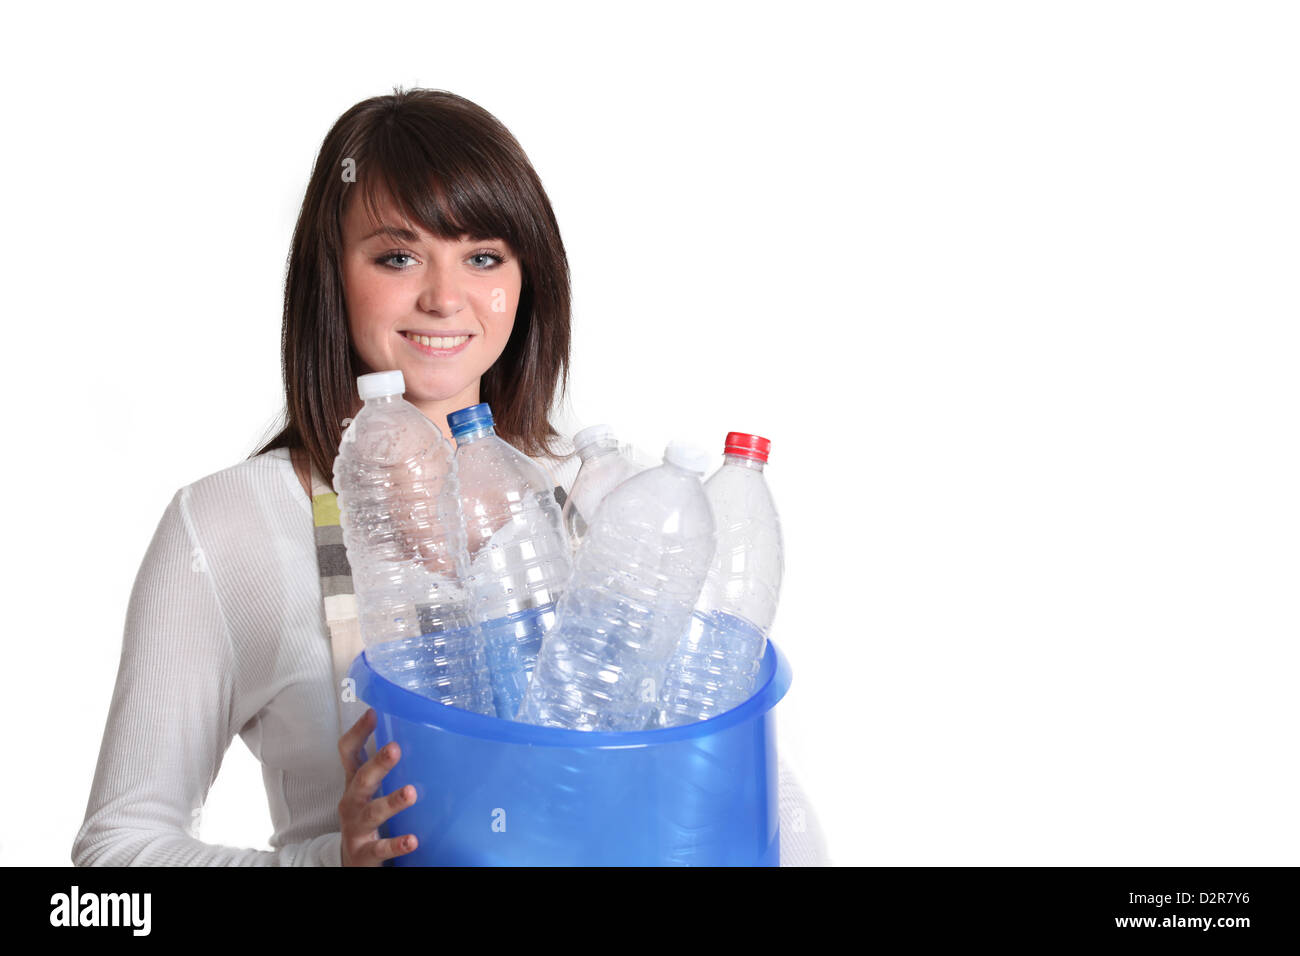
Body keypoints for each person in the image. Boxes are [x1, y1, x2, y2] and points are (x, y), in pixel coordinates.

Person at [72, 88, 829, 866]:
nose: (443, 297)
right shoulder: (228, 525)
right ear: (332, 273)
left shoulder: (614, 496)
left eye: (482, 257)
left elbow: (765, 804)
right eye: (397, 257)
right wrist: (328, 861)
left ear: (528, 276)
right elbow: (115, 857)